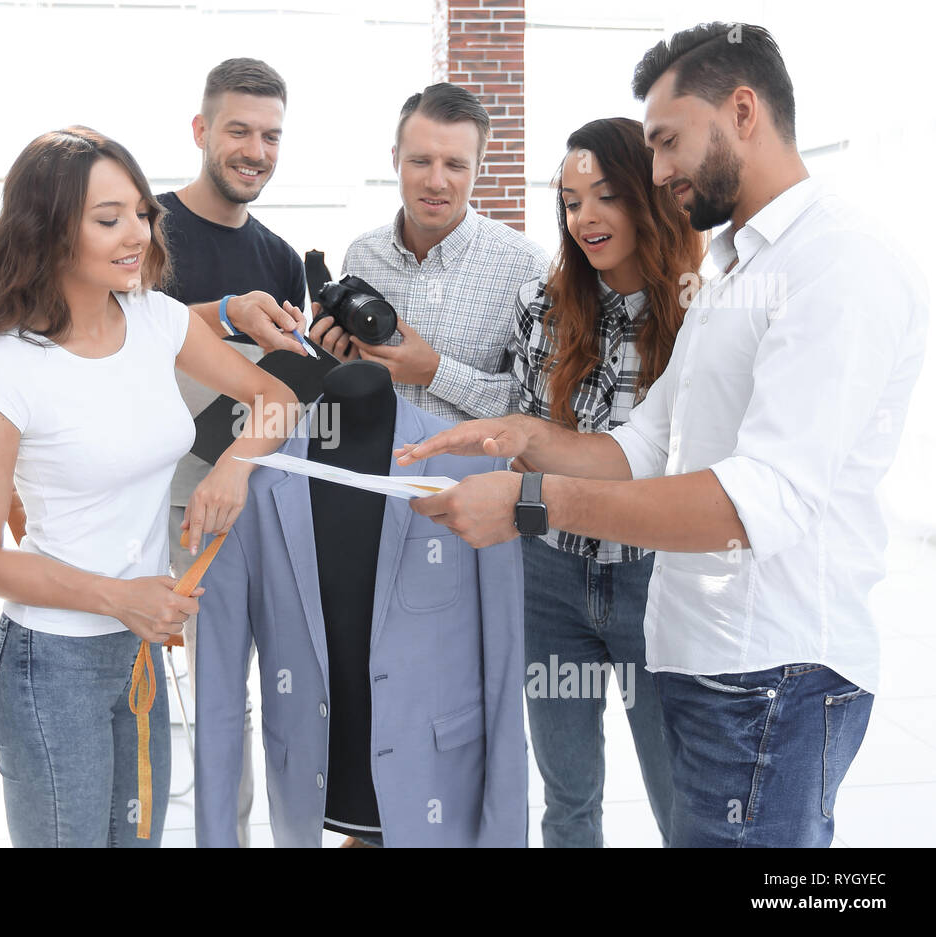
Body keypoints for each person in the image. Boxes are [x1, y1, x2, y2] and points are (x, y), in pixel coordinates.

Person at [398, 22, 928, 848]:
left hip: (772, 678)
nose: (659, 171)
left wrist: (530, 505)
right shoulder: (734, 271)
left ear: (743, 111)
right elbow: (641, 446)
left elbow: (758, 502)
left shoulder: (839, 264)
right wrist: (516, 438)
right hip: (707, 662)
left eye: (667, 142)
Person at [0, 126, 297, 848]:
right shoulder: (6, 370)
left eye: (140, 212)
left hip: (135, 653)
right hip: (52, 665)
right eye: (108, 219)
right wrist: (123, 597)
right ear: (47, 232)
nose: (136, 233)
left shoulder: (159, 321)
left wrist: (235, 465)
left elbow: (277, 398)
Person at [511, 117, 704, 847]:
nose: (585, 217)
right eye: (569, 201)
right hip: (550, 577)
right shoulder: (547, 304)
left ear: (647, 196)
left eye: (605, 195)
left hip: (658, 582)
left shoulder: (700, 311)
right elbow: (528, 435)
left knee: (680, 799)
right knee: (567, 802)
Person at [158, 57, 309, 848]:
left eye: (271, 136)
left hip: (263, 491)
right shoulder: (139, 225)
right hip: (174, 497)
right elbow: (110, 337)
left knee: (276, 692)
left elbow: (282, 386)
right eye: (239, 130)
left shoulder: (281, 257)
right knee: (197, 694)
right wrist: (221, 313)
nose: (255, 149)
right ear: (202, 131)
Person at [310, 82, 549, 423]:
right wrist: (340, 360)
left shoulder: (528, 267)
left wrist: (436, 373)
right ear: (395, 160)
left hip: (469, 475)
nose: (436, 181)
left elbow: (540, 409)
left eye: (455, 165)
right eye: (420, 161)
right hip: (372, 467)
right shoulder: (362, 254)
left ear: (478, 167)